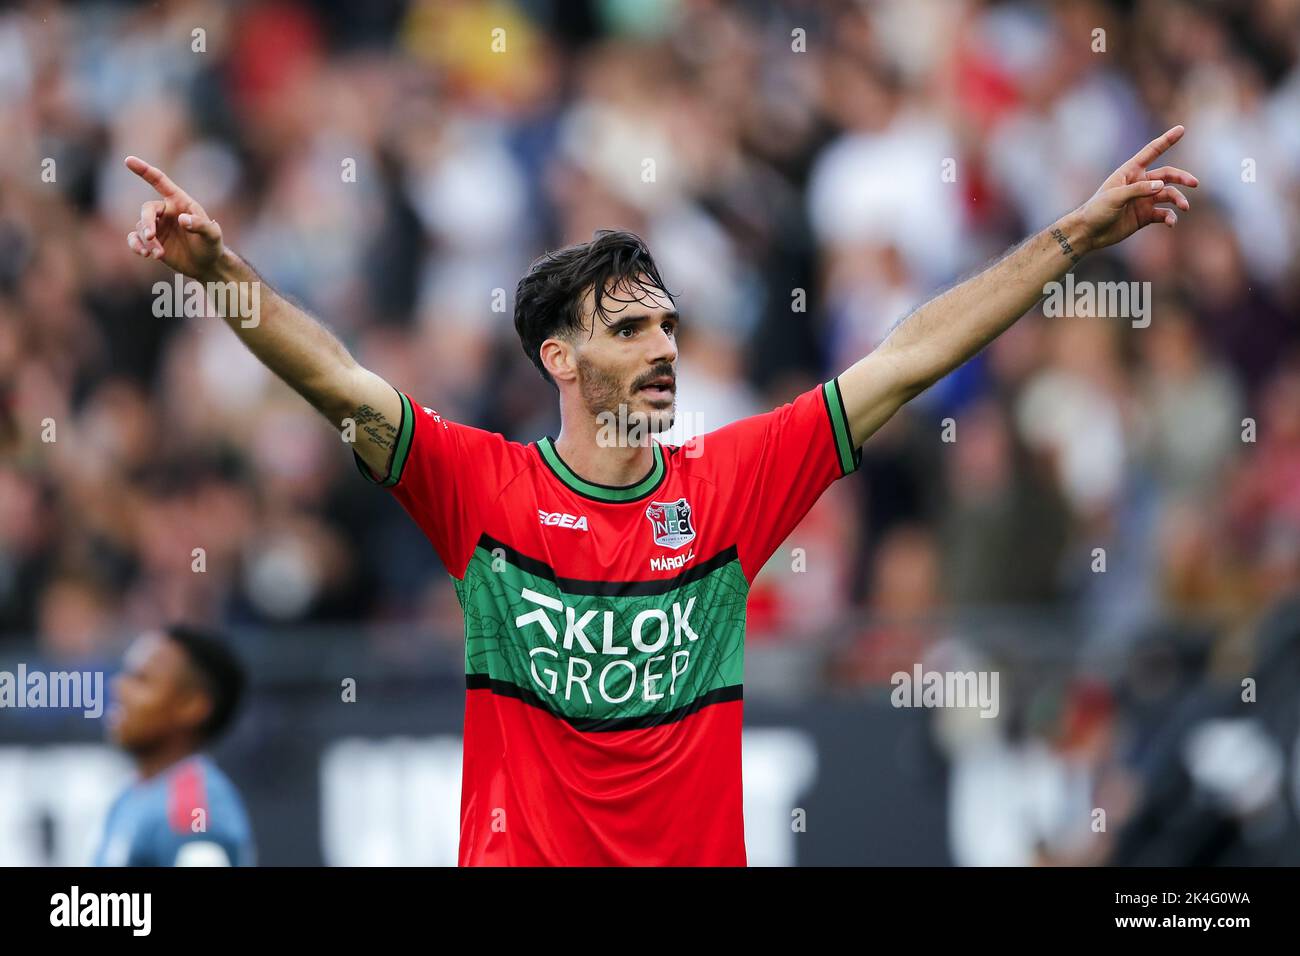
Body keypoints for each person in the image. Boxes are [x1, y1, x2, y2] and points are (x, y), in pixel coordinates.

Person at [120, 126, 1197, 865]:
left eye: (669, 325)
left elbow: (908, 356)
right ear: (558, 356)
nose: (663, 347)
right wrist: (218, 270)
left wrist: (1073, 238)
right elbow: (335, 377)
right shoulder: (480, 487)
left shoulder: (729, 486)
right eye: (629, 327)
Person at [94, 625, 254, 866]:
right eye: (126, 674)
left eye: (141, 680)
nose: (119, 687)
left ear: (192, 705)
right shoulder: (133, 794)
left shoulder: (192, 806)